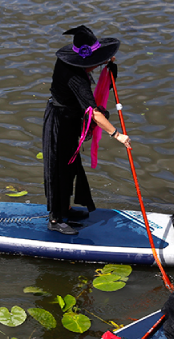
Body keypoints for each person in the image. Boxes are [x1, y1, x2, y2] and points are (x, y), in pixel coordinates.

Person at [43, 25, 131, 235]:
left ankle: (66, 209)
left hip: (71, 119)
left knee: (71, 167)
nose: (97, 64)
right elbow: (93, 112)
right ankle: (55, 219)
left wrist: (109, 65)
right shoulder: (76, 77)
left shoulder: (75, 66)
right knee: (58, 170)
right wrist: (117, 135)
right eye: (96, 61)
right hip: (59, 123)